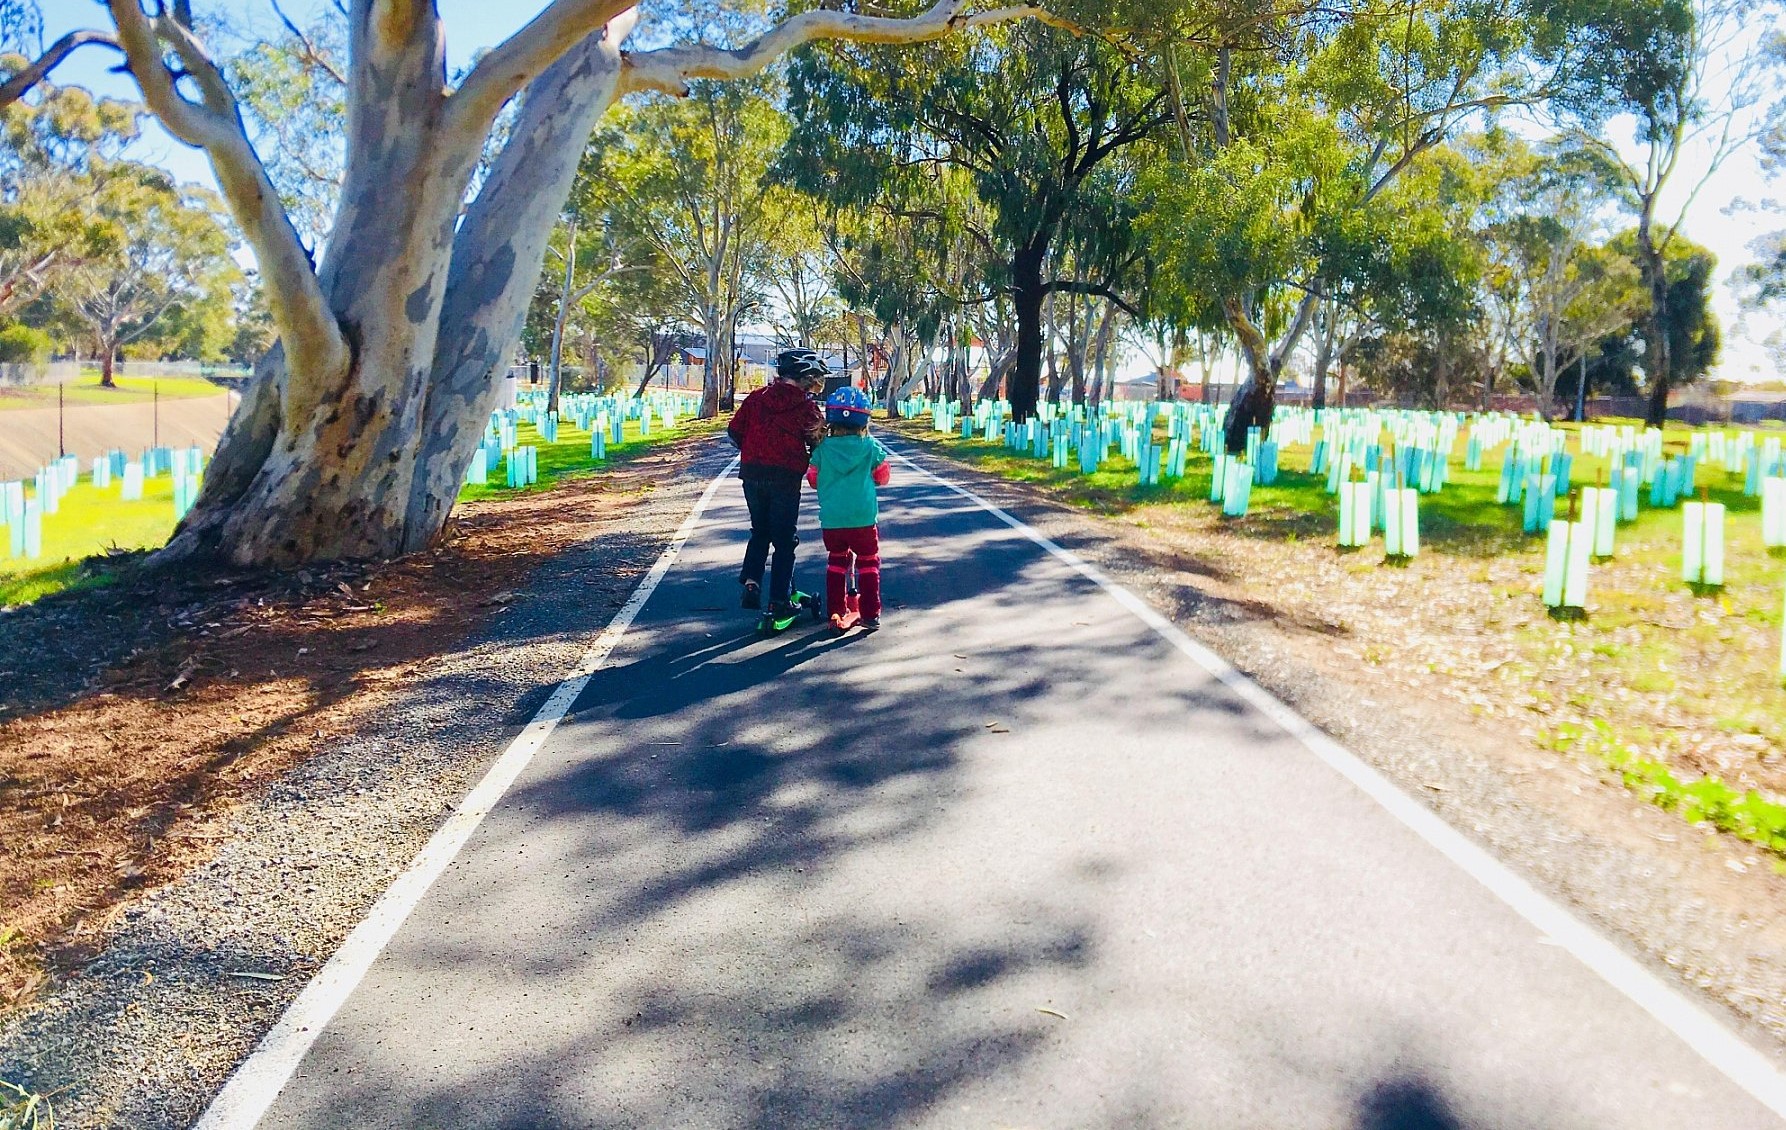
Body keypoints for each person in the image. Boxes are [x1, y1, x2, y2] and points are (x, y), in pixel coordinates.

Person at [728, 349, 827, 619]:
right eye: (815, 377)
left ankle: (751, 582)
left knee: (760, 531)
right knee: (784, 540)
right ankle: (778, 601)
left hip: (751, 473)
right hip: (784, 477)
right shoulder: (807, 407)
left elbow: (734, 431)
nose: (817, 383)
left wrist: (754, 449)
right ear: (805, 377)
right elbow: (818, 442)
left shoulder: (756, 398)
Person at [805, 385, 890, 632]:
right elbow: (883, 476)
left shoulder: (822, 449)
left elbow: (812, 479)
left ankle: (836, 609)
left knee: (836, 562)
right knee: (868, 562)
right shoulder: (870, 447)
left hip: (832, 519)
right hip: (863, 518)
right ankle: (871, 614)